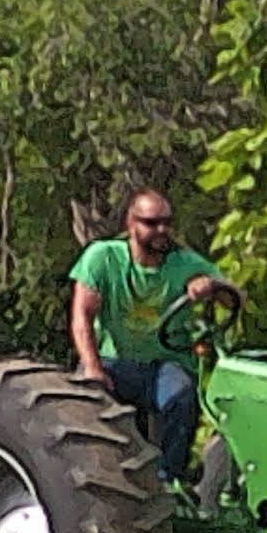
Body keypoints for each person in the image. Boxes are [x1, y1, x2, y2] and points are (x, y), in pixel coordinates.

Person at [68, 190, 222, 483]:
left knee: (182, 396)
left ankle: (168, 482)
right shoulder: (103, 257)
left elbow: (234, 295)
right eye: (151, 223)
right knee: (88, 397)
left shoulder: (184, 263)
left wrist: (209, 286)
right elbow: (81, 317)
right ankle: (93, 479)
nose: (161, 231)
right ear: (131, 224)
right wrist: (91, 365)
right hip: (114, 362)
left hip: (163, 364)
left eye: (166, 223)